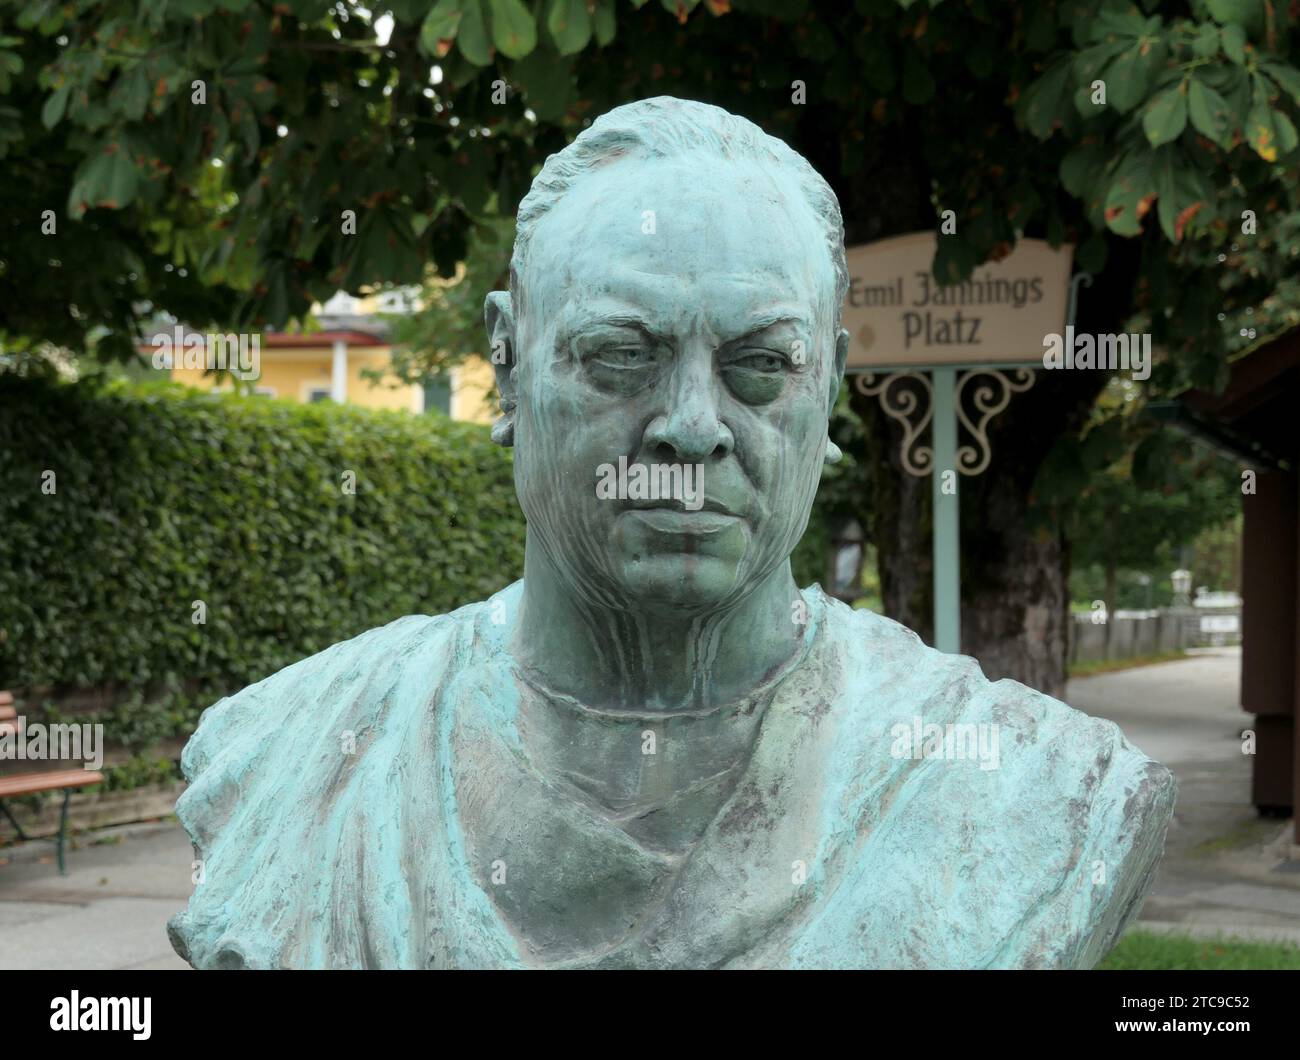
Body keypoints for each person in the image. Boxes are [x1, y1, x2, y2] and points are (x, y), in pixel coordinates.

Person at [168, 97, 1175, 969]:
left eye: (758, 367)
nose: (691, 424)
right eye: (618, 355)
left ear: (826, 385)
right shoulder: (299, 748)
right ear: (509, 363)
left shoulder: (1028, 791)